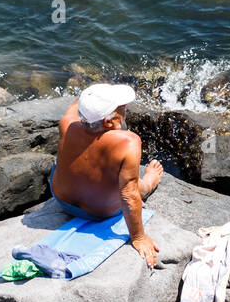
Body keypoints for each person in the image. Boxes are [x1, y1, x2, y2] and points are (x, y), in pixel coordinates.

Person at [51, 83, 164, 268]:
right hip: (100, 213)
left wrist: (91, 96)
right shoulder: (128, 142)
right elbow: (128, 195)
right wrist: (138, 237)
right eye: (121, 108)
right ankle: (149, 182)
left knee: (60, 161)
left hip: (62, 200)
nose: (125, 108)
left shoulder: (68, 123)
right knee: (132, 184)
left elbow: (77, 103)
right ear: (108, 122)